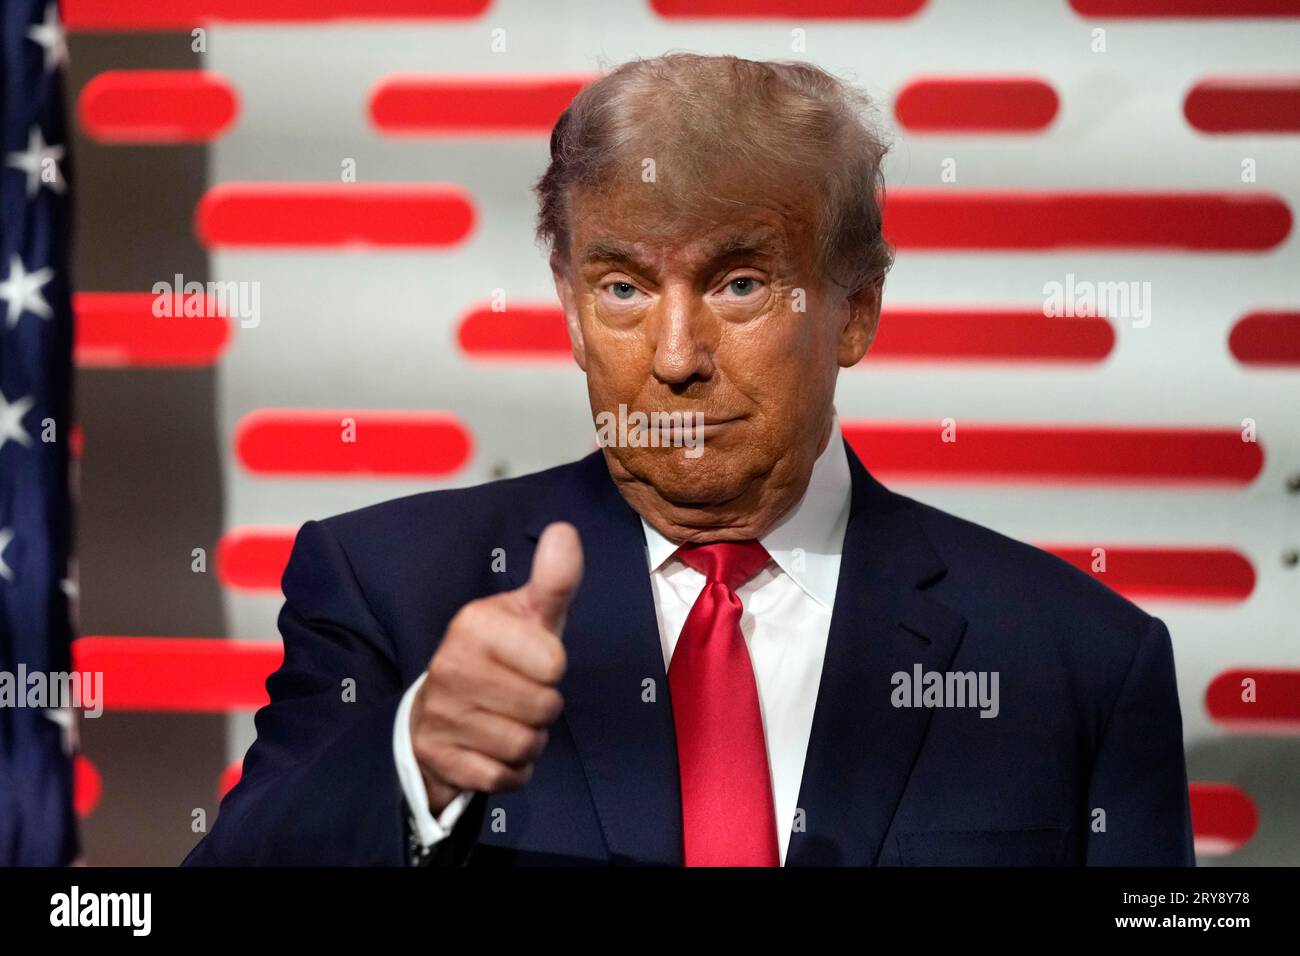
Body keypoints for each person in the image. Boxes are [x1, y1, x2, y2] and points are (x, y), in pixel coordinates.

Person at [183, 53, 1194, 867]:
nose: (672, 358)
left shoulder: (1081, 660)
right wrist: (415, 763)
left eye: (740, 282)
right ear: (569, 308)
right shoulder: (391, 592)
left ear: (856, 309)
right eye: (620, 287)